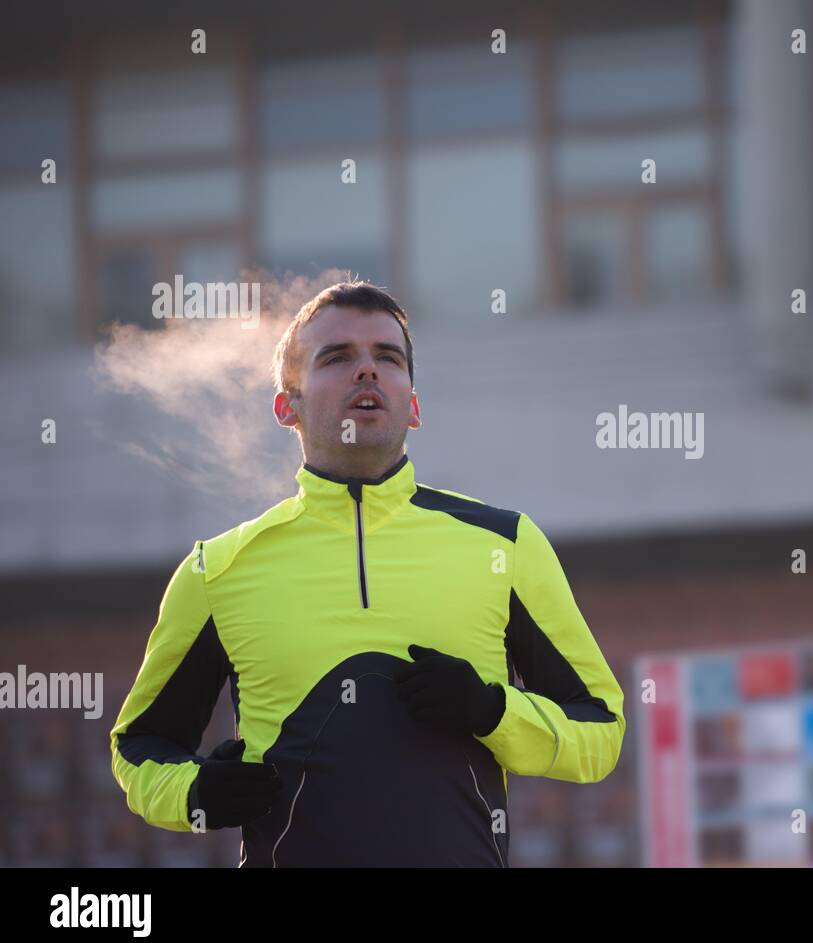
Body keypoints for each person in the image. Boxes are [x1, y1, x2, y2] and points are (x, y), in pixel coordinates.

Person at [109, 280, 625, 866]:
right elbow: (138, 746)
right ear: (287, 406)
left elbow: (601, 730)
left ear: (414, 405)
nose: (367, 371)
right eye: (337, 357)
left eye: (388, 357)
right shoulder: (217, 569)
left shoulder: (506, 544)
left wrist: (492, 712)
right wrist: (195, 792)